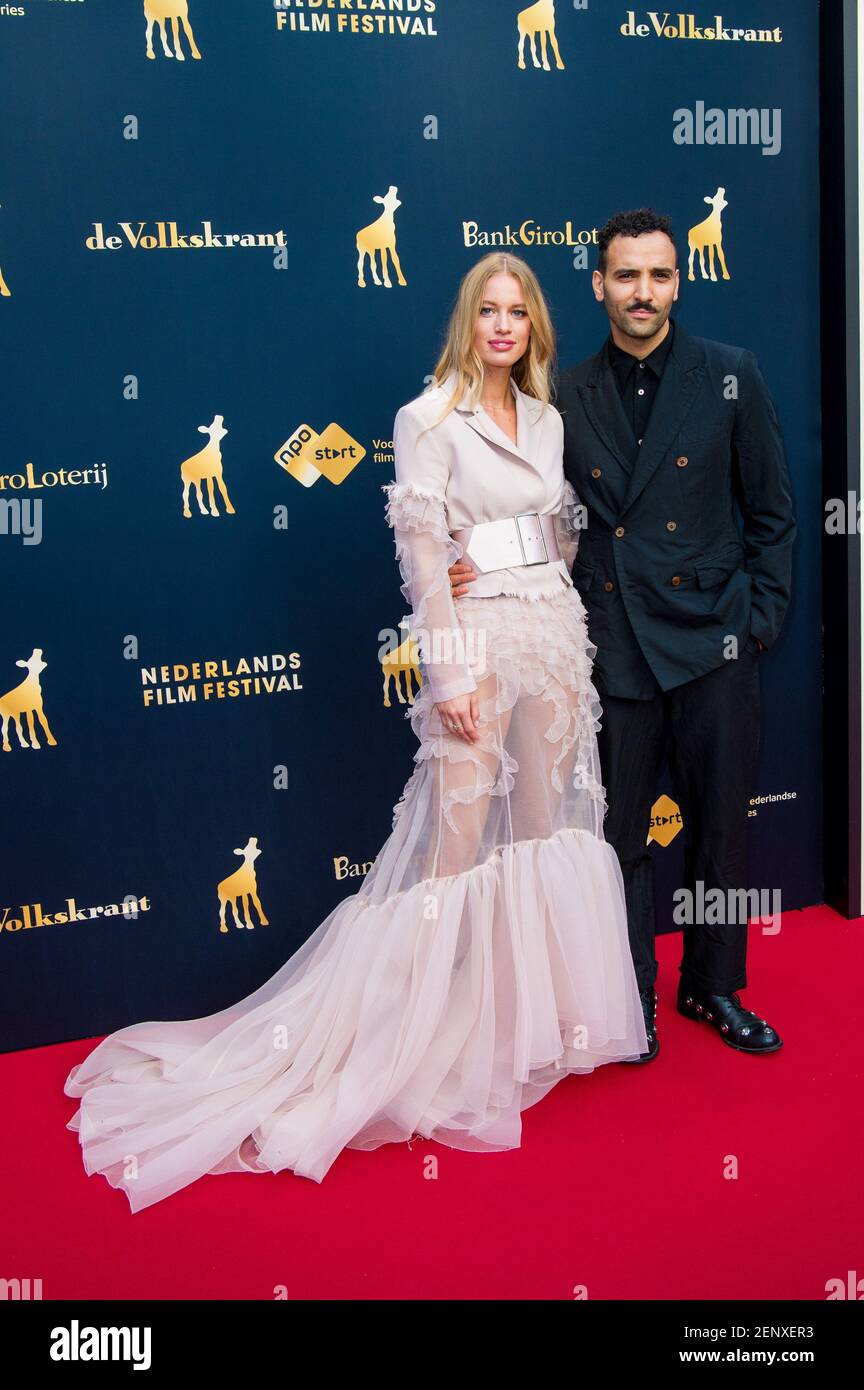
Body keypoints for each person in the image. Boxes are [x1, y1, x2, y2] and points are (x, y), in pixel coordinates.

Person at [63, 251, 647, 1214]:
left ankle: (511, 1034)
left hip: (553, 638)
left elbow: (560, 530)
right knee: (452, 855)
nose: (503, 326)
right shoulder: (425, 419)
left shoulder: (548, 417)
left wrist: (506, 550)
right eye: (487, 311)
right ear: (468, 322)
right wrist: (450, 668)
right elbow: (421, 558)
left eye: (518, 313)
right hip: (483, 651)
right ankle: (396, 1047)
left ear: (536, 327)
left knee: (544, 841)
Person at [448, 211, 795, 1061]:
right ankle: (626, 994)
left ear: (679, 281)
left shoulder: (729, 376)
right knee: (620, 836)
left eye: (660, 275)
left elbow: (774, 513)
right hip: (617, 645)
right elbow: (542, 518)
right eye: (626, 276)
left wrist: (756, 625)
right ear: (598, 284)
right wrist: (475, 557)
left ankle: (713, 986)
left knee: (721, 825)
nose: (644, 292)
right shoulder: (560, 396)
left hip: (713, 642)